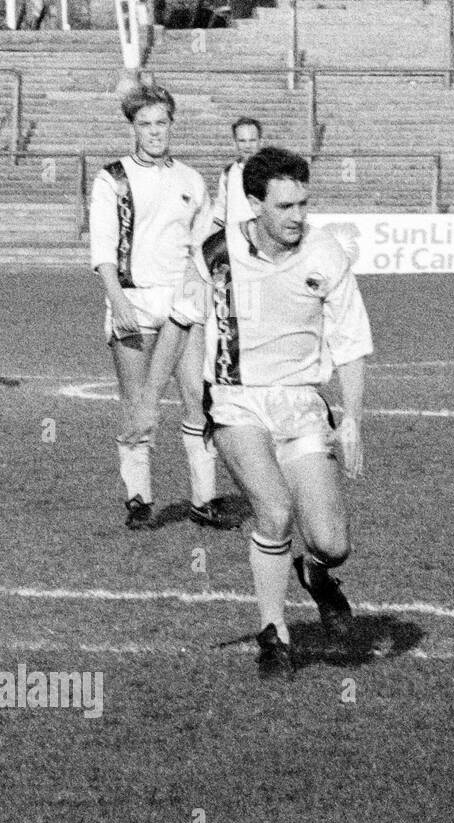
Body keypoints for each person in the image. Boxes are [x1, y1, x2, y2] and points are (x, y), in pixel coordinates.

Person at [128, 146, 372, 680]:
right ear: (255, 203)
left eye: (303, 203)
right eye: (285, 206)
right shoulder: (217, 252)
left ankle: (316, 574)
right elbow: (180, 322)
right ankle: (273, 633)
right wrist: (147, 398)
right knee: (274, 511)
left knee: (332, 543)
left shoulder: (326, 254)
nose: (298, 216)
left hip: (302, 403)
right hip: (236, 401)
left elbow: (351, 345)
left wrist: (352, 416)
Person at [89, 83, 227, 529]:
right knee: (137, 403)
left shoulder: (190, 179)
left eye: (161, 122)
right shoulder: (112, 178)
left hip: (183, 301)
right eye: (145, 123)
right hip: (133, 300)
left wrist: (199, 291)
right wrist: (117, 301)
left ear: (172, 124)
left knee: (197, 399)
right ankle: (140, 500)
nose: (154, 131)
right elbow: (104, 248)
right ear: (132, 127)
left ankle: (204, 500)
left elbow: (204, 247)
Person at [212, 116, 262, 232]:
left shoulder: (273, 172)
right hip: (234, 239)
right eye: (242, 141)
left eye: (252, 140)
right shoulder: (228, 174)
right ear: (235, 143)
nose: (247, 146)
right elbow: (220, 212)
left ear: (260, 141)